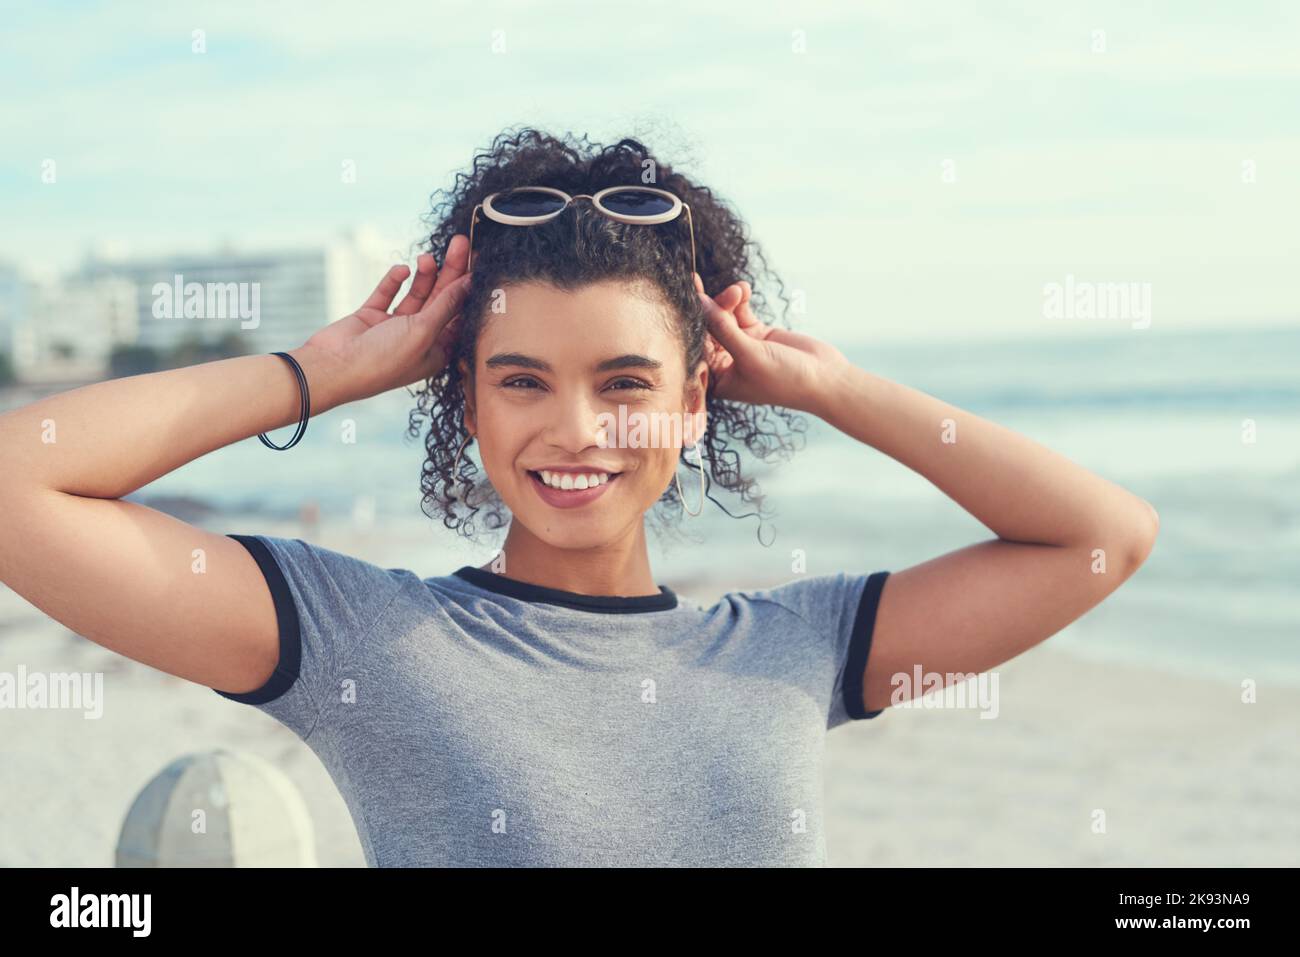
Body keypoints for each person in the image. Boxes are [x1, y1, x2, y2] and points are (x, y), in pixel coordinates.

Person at [0, 128, 1158, 867]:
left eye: (625, 383)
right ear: (463, 401)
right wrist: (324, 373)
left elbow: (1103, 538)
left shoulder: (795, 650)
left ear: (699, 397)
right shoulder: (369, 643)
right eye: (519, 381)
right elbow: (17, 486)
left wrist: (834, 388)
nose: (575, 431)